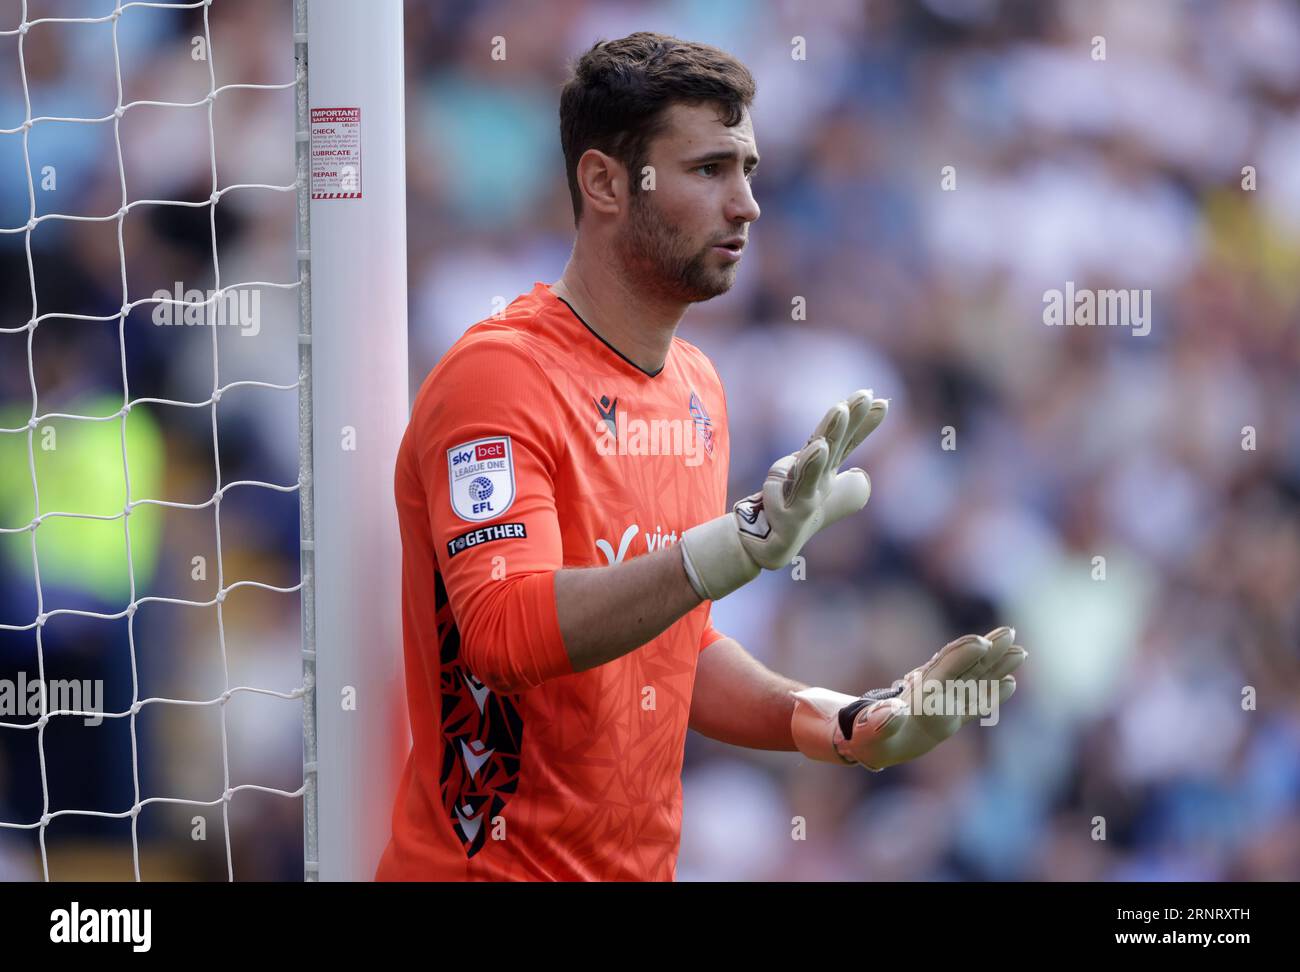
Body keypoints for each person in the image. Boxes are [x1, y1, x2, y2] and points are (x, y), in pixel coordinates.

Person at [376, 31, 1025, 881]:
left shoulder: (697, 388)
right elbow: (502, 632)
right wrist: (726, 550)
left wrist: (841, 721)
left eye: (748, 168)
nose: (748, 203)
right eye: (710, 170)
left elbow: (674, 647)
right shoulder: (500, 379)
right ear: (605, 182)